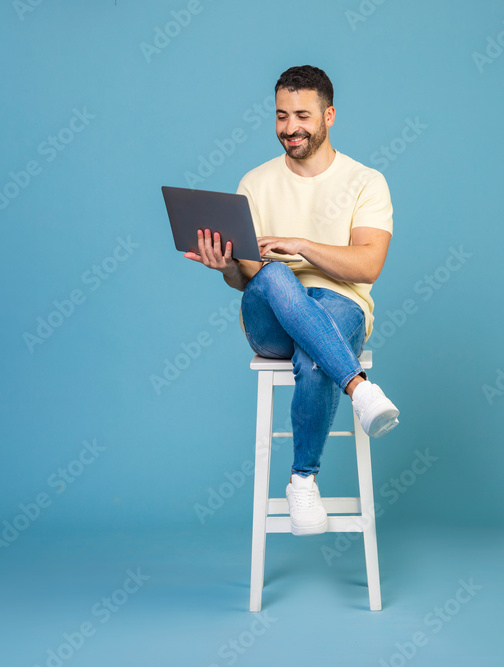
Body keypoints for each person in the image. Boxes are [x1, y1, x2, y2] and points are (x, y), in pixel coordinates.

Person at [184, 65, 400, 536]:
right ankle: (360, 389)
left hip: (341, 305)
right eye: (281, 115)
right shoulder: (255, 183)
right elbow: (247, 278)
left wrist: (302, 244)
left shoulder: (366, 181)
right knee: (278, 276)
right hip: (270, 320)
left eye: (302, 115)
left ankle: (302, 481)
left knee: (315, 352)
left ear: (329, 116)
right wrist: (225, 266)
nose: (290, 127)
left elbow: (368, 266)